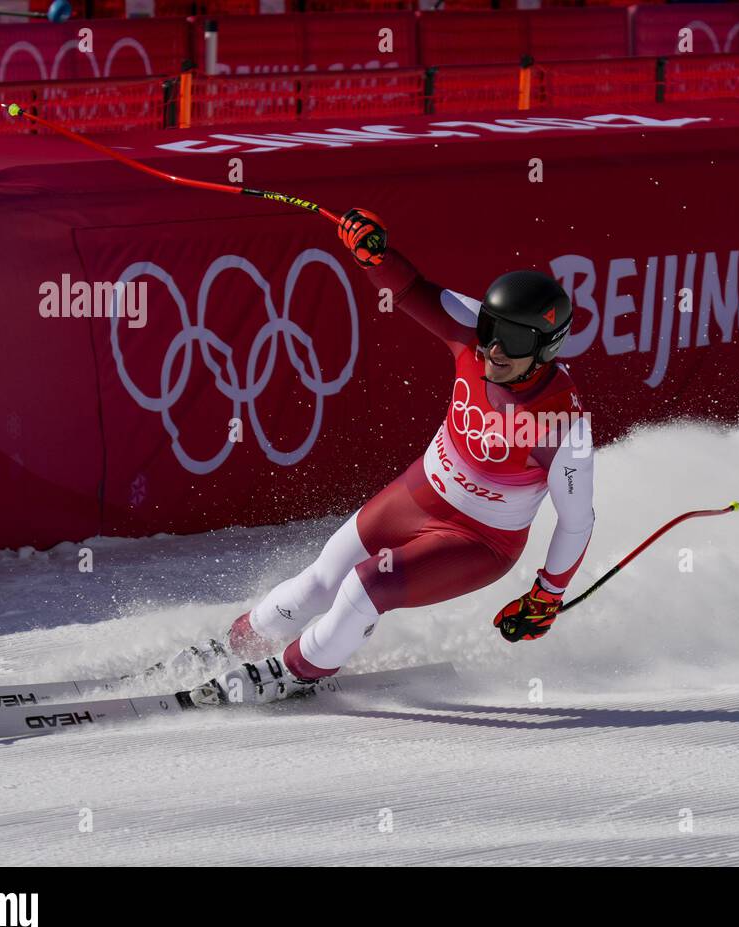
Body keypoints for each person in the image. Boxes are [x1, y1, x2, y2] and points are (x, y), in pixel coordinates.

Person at [192, 209, 596, 706]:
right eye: (490, 328)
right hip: (419, 493)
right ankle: (232, 647)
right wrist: (374, 256)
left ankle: (295, 671)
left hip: (478, 540)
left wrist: (547, 595)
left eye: (511, 340)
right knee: (317, 583)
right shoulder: (475, 334)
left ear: (546, 348)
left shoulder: (562, 424)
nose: (492, 348)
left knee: (367, 586)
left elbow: (576, 522)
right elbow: (411, 290)